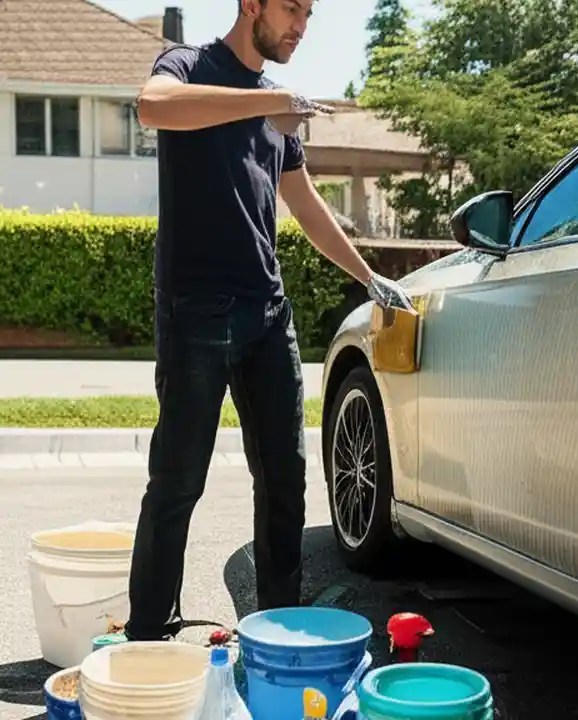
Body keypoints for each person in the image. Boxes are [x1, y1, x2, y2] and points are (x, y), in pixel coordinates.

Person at [124, 0, 413, 641]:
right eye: (291, 10)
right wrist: (265, 103)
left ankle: (277, 631)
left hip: (267, 315)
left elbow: (306, 205)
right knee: (177, 482)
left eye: (309, 14)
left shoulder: (274, 106)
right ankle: (146, 635)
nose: (301, 27)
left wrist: (369, 277)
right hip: (195, 313)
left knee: (284, 482)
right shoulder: (190, 65)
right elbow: (153, 106)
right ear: (250, 4)